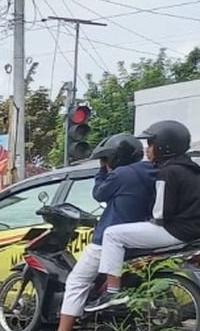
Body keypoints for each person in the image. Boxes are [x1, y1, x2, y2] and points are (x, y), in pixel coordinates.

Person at [38, 133, 154, 331]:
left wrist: (103, 170)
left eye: (106, 159)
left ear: (114, 158)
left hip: (108, 240)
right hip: (142, 236)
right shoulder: (151, 170)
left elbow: (99, 194)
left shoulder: (119, 175)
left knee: (77, 282)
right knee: (133, 284)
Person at [85, 120, 200, 313]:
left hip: (174, 230)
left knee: (113, 234)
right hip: (191, 230)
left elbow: (160, 213)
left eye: (151, 144)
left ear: (165, 146)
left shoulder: (167, 172)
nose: (147, 150)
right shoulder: (192, 169)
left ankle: (112, 292)